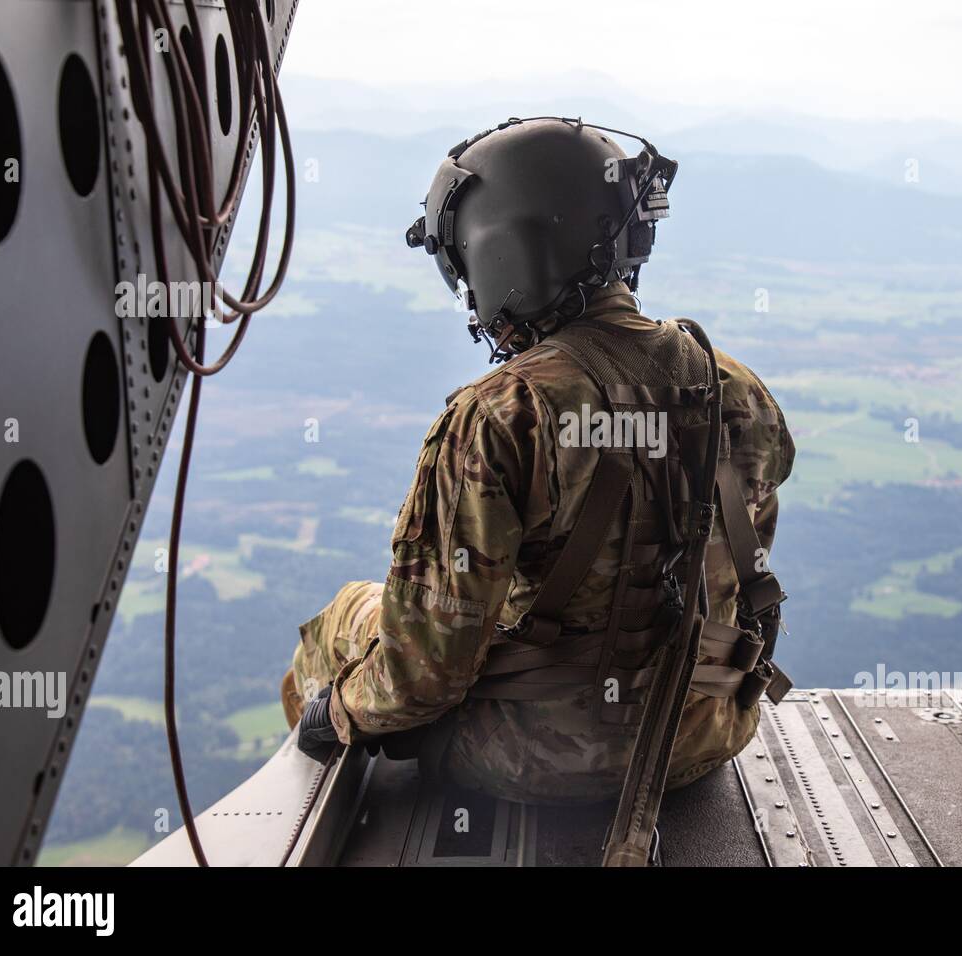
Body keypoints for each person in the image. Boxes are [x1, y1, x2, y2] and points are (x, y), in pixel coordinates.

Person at [283, 117, 795, 812]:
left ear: (504, 252)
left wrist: (336, 711)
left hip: (539, 759)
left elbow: (422, 674)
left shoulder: (502, 414)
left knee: (348, 614)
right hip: (706, 733)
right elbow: (739, 574)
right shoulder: (735, 386)